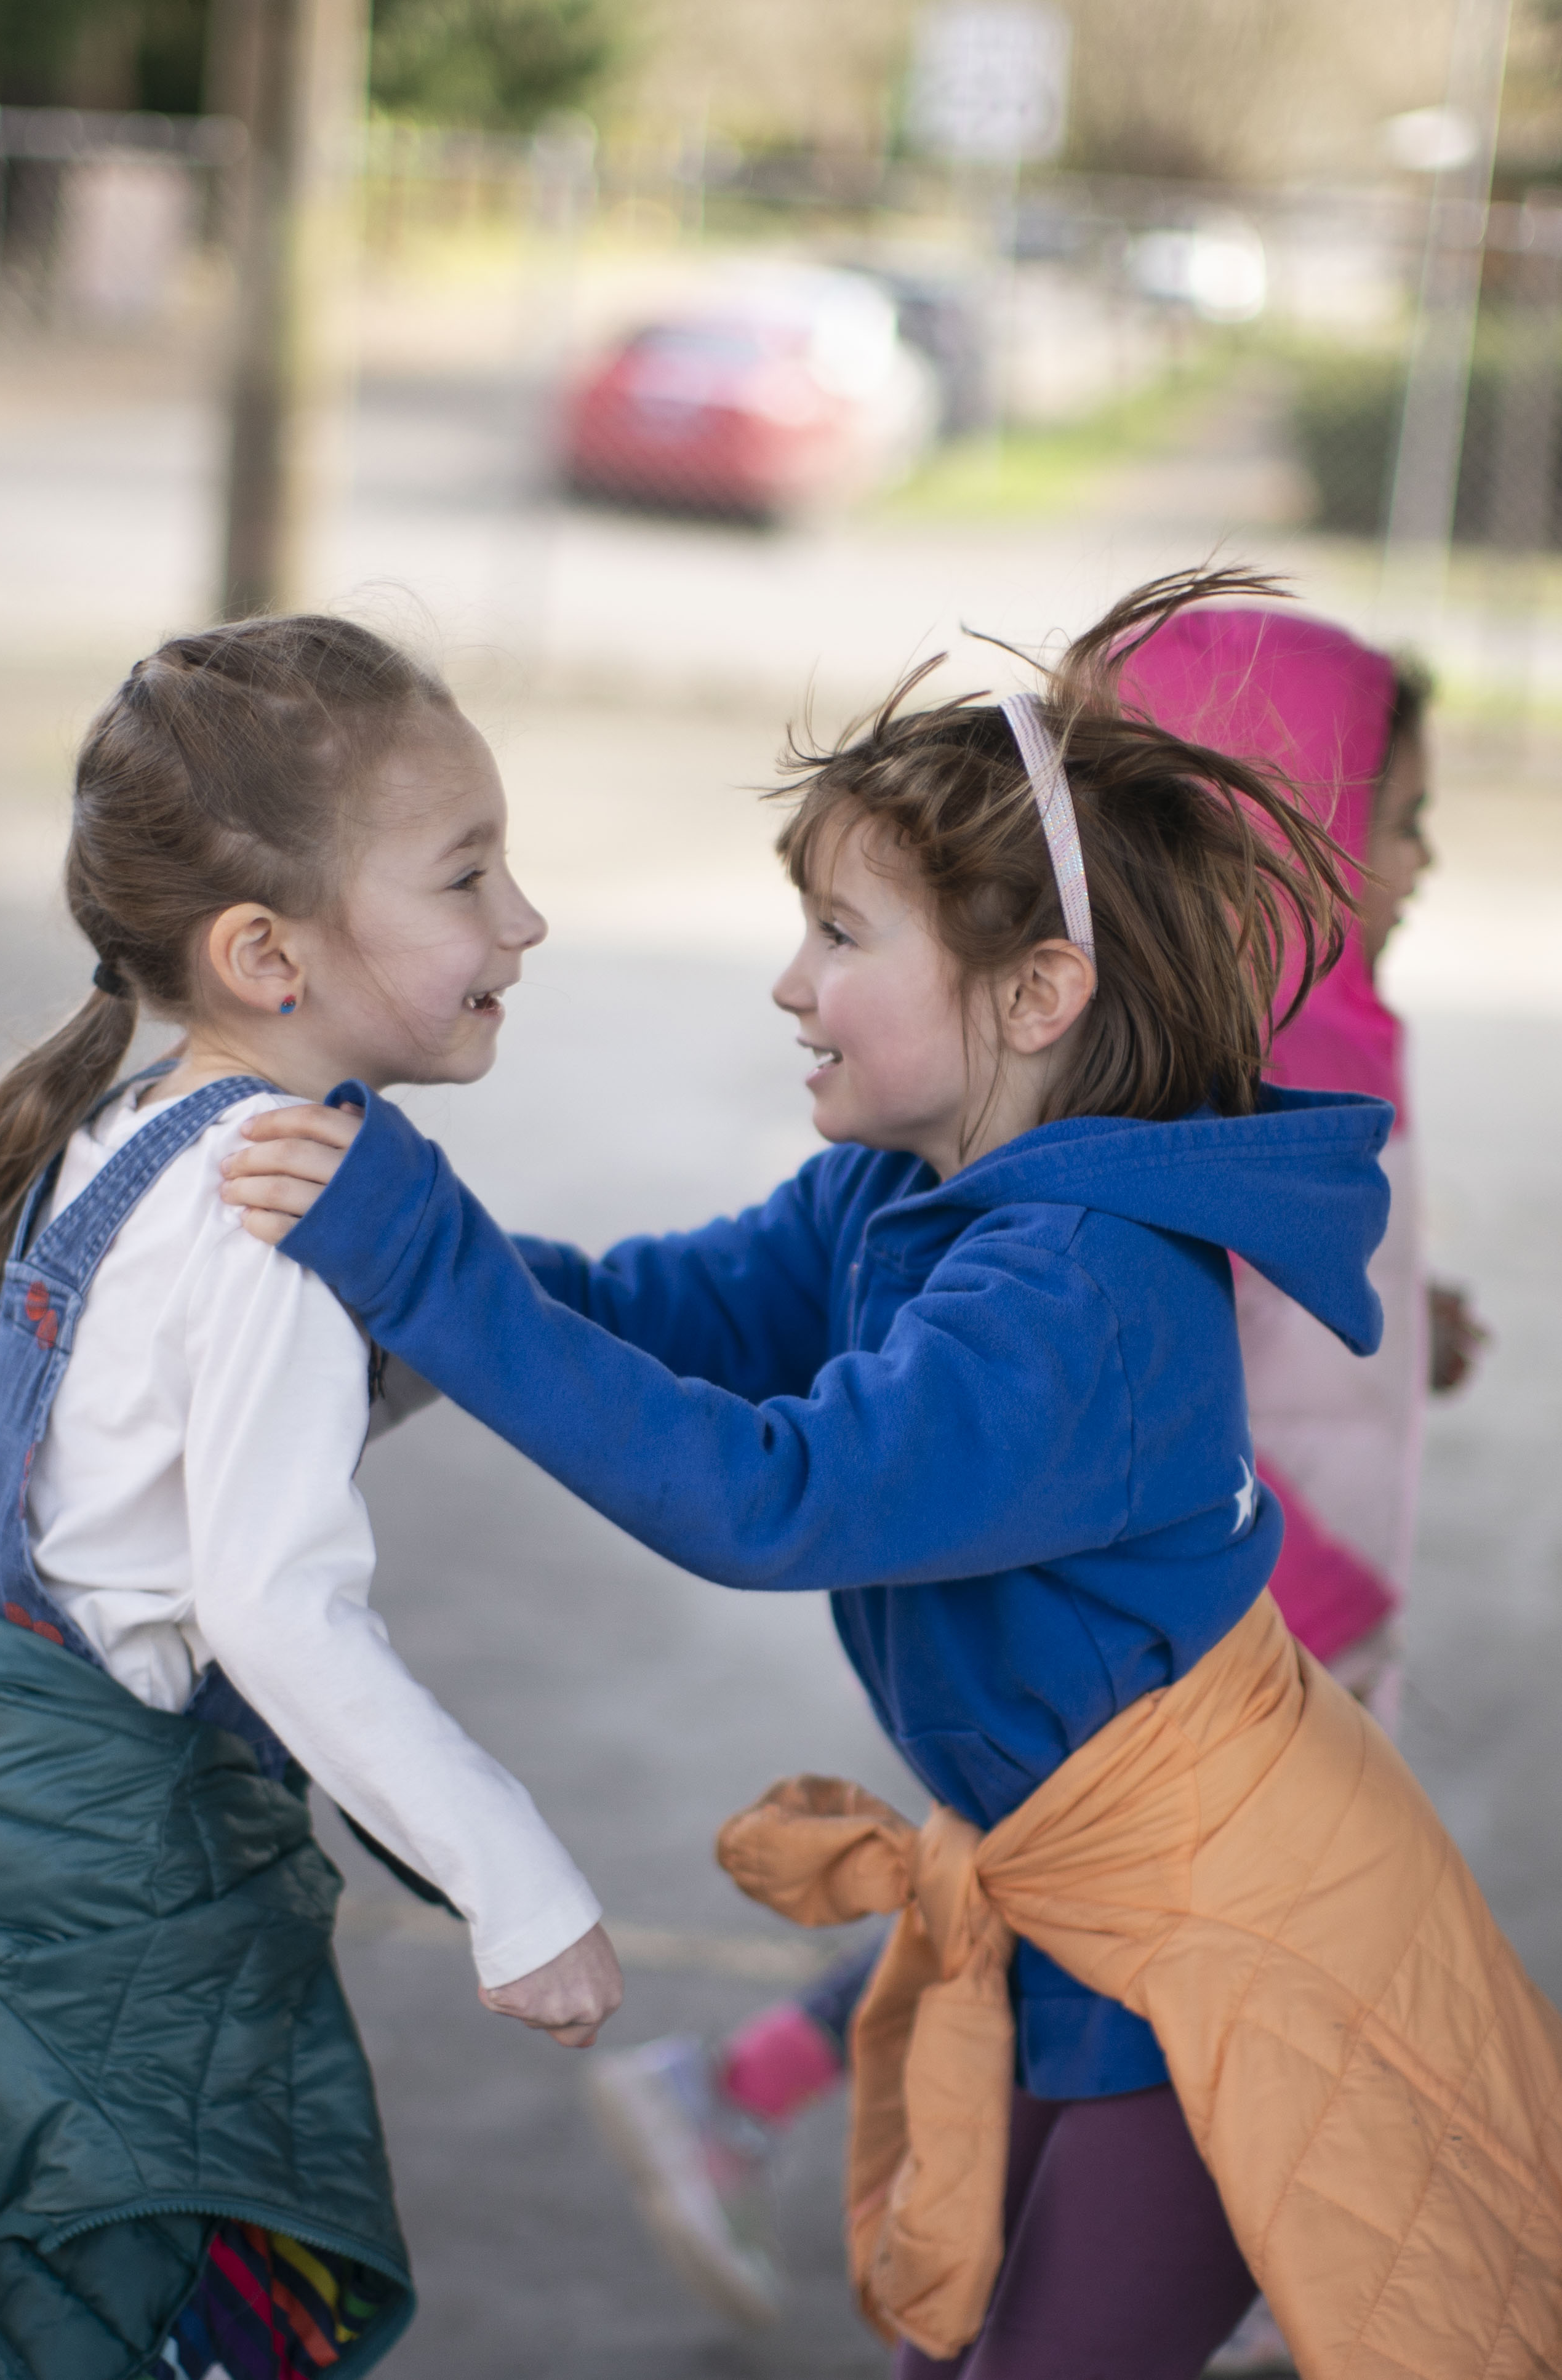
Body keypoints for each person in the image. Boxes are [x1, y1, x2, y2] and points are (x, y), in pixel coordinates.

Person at [218, 567, 1562, 2379]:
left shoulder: (1087, 1287)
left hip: (1233, 1945)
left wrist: (430, 1268)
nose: (791, 980)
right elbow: (656, 1309)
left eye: (842, 933)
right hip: (1071, 1915)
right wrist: (387, 1311)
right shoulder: (900, 1184)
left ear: (1037, 991)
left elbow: (774, 1497)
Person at [575, 604, 1491, 2359]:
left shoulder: (1237, 1061)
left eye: (842, 935)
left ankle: (739, 2083)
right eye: (1404, 811)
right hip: (1191, 1716)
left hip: (1208, 1782)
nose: (1423, 859)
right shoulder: (1213, 1073)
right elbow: (815, 1432)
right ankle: (739, 2082)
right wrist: (429, 1282)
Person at [0, 615, 621, 2380]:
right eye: (469, 875)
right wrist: (515, 1879)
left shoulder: (143, 1122)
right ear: (265, 953)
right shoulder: (273, 1216)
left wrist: (453, 1325)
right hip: (95, 1942)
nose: (523, 921)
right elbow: (269, 1601)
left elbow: (146, 1480)